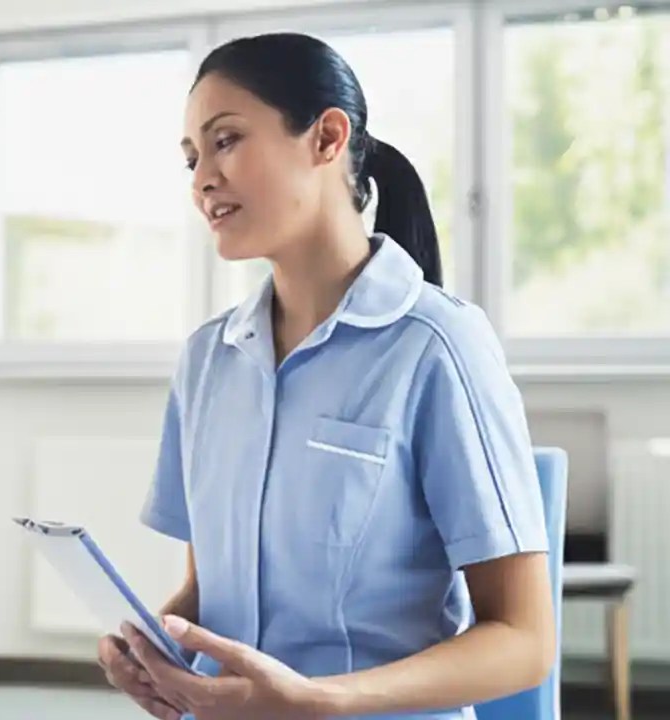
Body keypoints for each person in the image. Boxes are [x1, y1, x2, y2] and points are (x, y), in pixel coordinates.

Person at [96, 33, 554, 720]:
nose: (201, 180)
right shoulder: (207, 361)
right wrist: (157, 646)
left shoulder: (438, 347)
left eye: (226, 142)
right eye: (192, 159)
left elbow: (525, 640)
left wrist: (321, 702)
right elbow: (209, 586)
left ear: (327, 137)